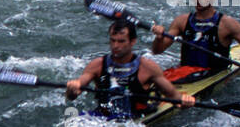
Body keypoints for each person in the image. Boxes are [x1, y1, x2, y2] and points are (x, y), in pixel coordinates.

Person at [66, 19, 196, 118]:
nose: (116, 46)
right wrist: (73, 88)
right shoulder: (97, 65)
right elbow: (73, 94)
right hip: (102, 118)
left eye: (121, 41)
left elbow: (174, 97)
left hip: (135, 122)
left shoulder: (148, 68)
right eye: (113, 40)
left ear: (132, 41)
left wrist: (185, 101)